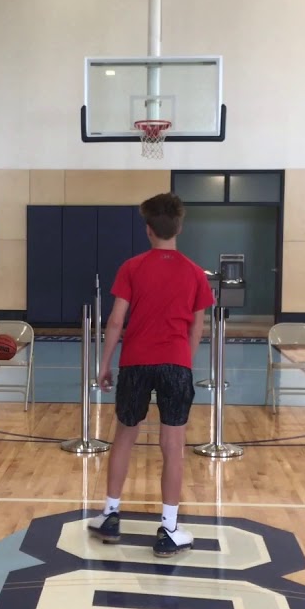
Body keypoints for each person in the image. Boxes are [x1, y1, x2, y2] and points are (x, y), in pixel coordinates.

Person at [88, 192, 213, 558]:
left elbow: (115, 321)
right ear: (180, 227)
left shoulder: (132, 267)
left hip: (135, 363)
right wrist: (184, 364)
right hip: (176, 364)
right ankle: (169, 529)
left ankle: (111, 515)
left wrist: (104, 364)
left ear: (148, 230)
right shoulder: (195, 273)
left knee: (124, 437)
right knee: (172, 447)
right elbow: (197, 328)